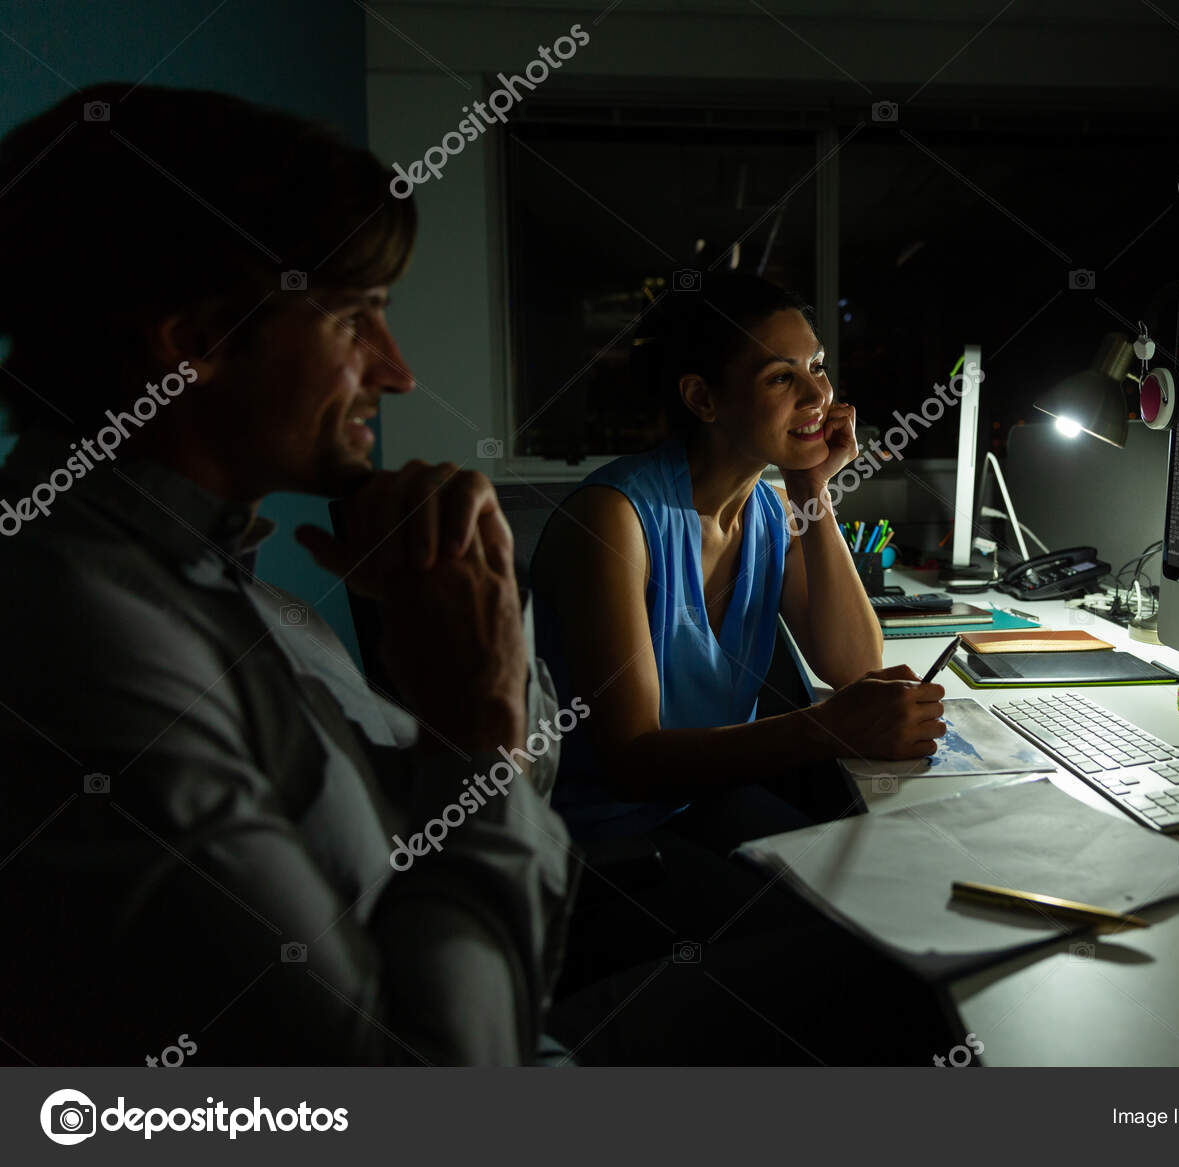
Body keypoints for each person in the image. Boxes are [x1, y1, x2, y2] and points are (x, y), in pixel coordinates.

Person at [0, 85, 574, 1065]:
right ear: (194, 342)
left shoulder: (246, 599)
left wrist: (476, 635)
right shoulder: (86, 648)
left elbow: (509, 780)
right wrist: (477, 722)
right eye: (356, 319)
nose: (396, 373)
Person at [532, 272, 946, 848]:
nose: (818, 396)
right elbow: (632, 763)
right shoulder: (613, 520)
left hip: (707, 803)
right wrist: (824, 730)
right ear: (703, 399)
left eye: (818, 367)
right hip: (608, 840)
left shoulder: (773, 513)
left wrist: (811, 488)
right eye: (782, 377)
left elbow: (854, 664)